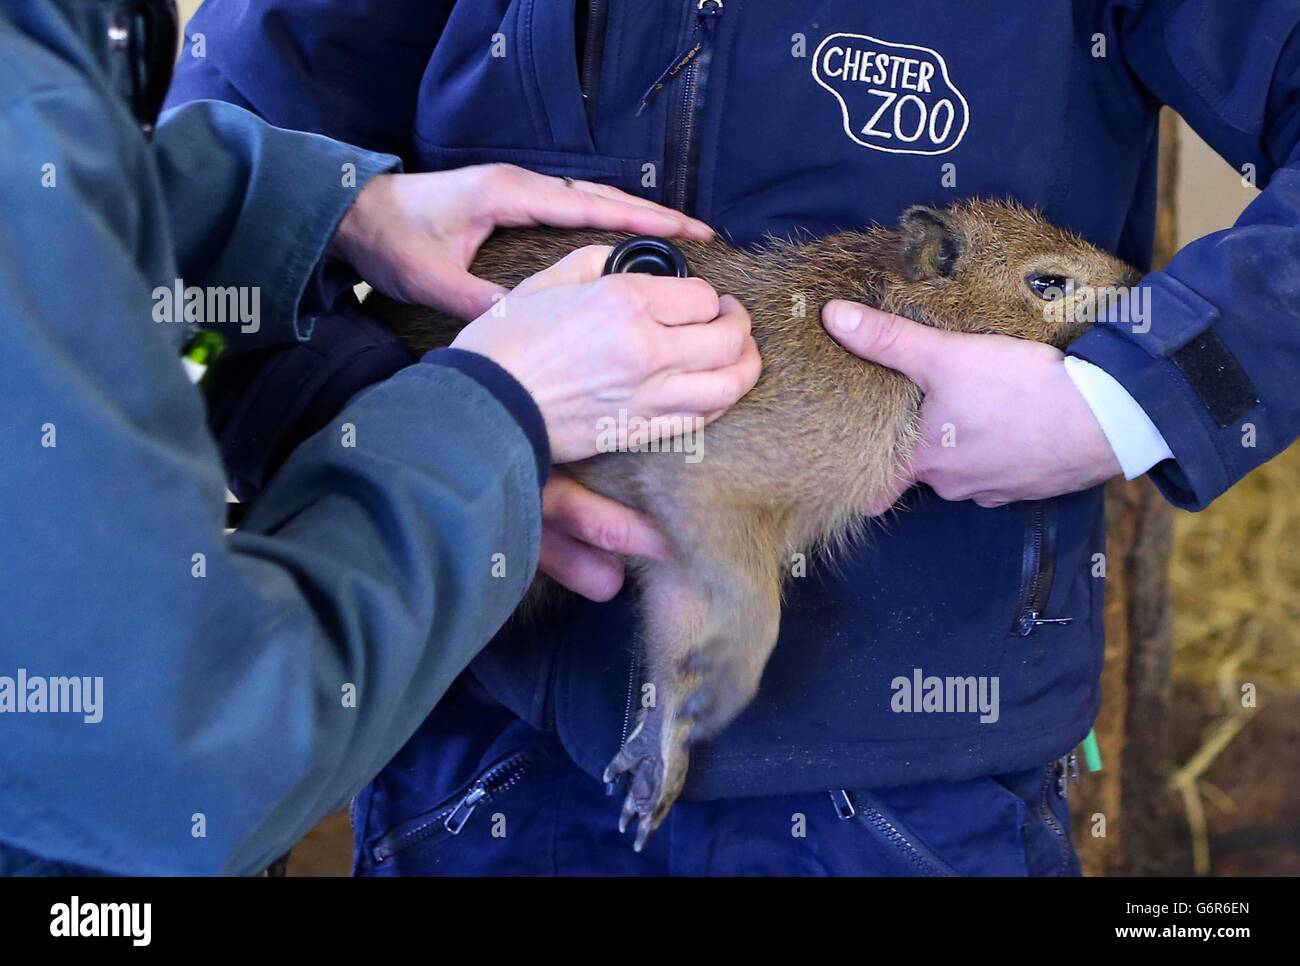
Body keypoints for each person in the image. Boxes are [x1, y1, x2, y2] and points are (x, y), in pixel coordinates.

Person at [169, 0, 1300, 875]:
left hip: (913, 790)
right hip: (473, 746)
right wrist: (418, 449)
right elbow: (186, 227)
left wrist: (1128, 397)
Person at [0, 0, 759, 876]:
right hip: (459, 749)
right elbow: (171, 751)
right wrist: (479, 420)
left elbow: (74, 218)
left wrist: (331, 209)